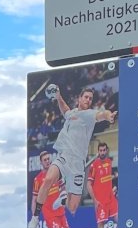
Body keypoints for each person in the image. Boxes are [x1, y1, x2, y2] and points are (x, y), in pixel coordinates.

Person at [47, 85, 116, 213]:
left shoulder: (89, 114)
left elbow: (102, 114)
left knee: (72, 208)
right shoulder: (72, 113)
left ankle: (63, 200)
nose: (88, 100)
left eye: (90, 99)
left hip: (79, 163)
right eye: (86, 97)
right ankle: (62, 189)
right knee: (53, 174)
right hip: (66, 155)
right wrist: (58, 97)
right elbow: (65, 110)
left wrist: (108, 115)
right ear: (79, 98)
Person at [32, 152, 70, 228]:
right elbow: (34, 200)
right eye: (44, 160)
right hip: (50, 215)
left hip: (61, 212)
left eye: (48, 159)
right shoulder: (37, 179)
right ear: (41, 163)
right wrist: (34, 217)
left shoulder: (57, 174)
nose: (47, 161)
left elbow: (63, 188)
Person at [87, 141, 118, 228]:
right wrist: (95, 200)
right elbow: (88, 185)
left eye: (104, 150)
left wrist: (114, 188)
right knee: (101, 224)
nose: (102, 152)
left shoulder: (109, 162)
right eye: (100, 150)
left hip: (111, 198)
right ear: (98, 151)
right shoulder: (94, 165)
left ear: (106, 150)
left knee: (120, 220)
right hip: (100, 201)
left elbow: (110, 178)